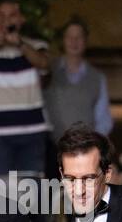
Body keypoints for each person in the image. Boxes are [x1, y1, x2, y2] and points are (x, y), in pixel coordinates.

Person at [0, 0, 50, 178]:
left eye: (11, 15)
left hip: (32, 132)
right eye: (1, 16)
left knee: (32, 192)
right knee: (2, 193)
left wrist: (19, 44)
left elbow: (44, 64)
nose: (5, 20)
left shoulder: (35, 45)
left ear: (21, 19)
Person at [44, 18, 113, 146]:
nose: (74, 41)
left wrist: (93, 146)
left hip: (85, 150)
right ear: (63, 41)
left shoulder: (97, 77)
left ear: (85, 41)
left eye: (78, 37)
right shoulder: (48, 72)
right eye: (69, 37)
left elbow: (103, 119)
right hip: (51, 147)